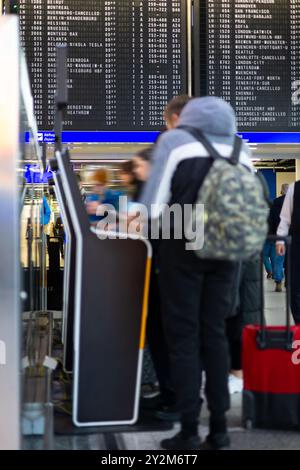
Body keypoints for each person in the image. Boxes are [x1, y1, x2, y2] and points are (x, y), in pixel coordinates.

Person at [140, 97, 253, 450]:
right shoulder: (240, 147)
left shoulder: (175, 141)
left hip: (183, 248)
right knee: (215, 336)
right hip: (227, 252)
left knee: (184, 340)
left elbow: (153, 207)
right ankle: (218, 429)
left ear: (185, 117)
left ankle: (189, 429)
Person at [277, 181, 300, 324]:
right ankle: (299, 325)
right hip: (297, 245)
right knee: (294, 287)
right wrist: (280, 240)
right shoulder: (295, 188)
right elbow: (285, 218)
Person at [270, 183, 289, 292]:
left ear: (281, 191)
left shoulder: (275, 202)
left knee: (279, 259)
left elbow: (271, 219)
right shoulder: (293, 201)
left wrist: (272, 233)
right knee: (291, 259)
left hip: (278, 234)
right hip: (291, 234)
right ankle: (289, 281)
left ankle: (278, 281)